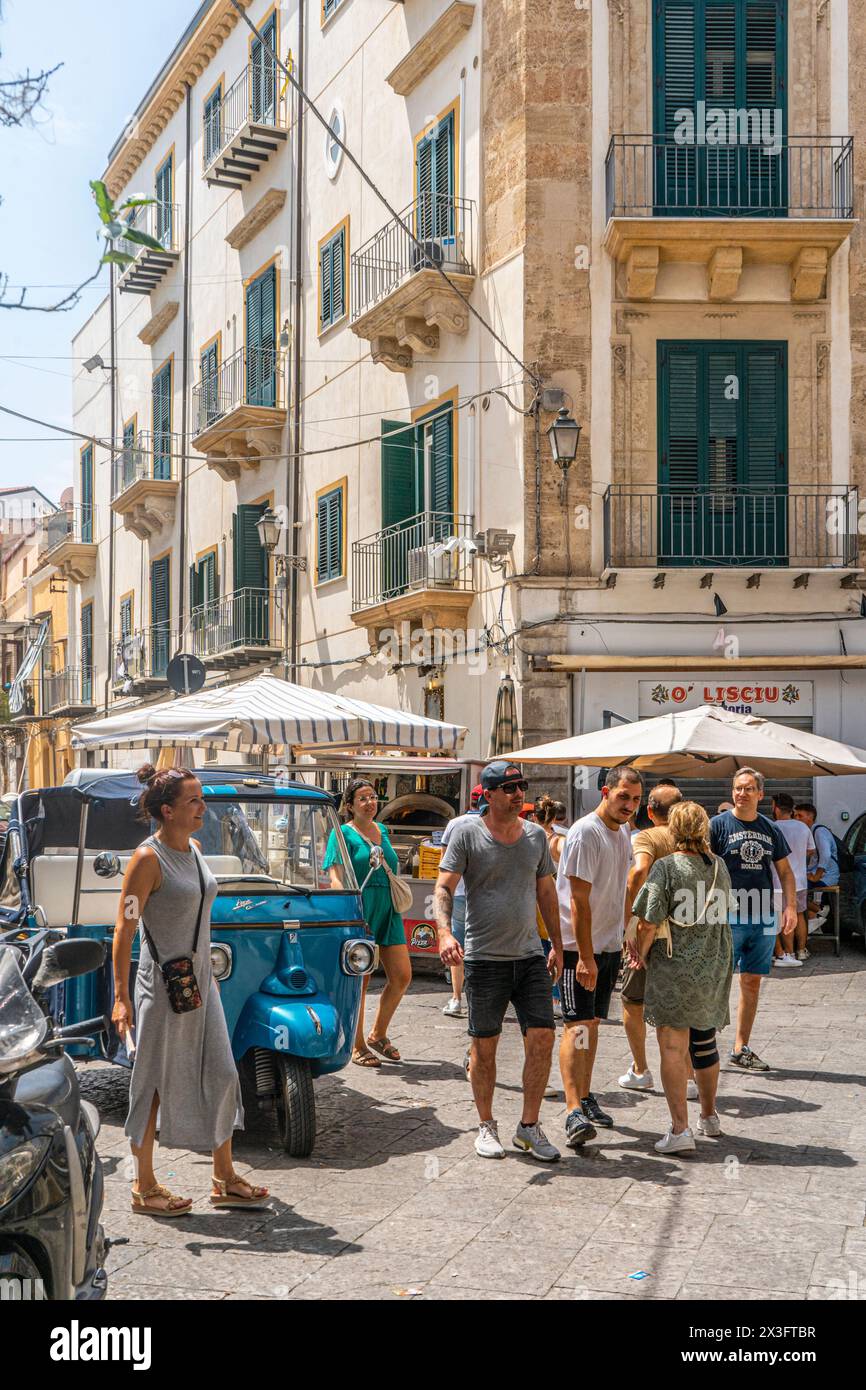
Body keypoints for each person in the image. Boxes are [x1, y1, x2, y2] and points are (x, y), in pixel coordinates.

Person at [112, 766, 268, 1216]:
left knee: (222, 1072)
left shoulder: (196, 849)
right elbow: (124, 928)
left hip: (201, 981)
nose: (204, 807)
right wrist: (121, 997)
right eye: (194, 800)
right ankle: (143, 1186)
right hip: (162, 984)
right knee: (154, 1082)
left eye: (201, 798)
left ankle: (224, 1177)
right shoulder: (147, 859)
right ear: (168, 810)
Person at [435, 761, 563, 1162]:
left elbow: (546, 894)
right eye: (508, 788)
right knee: (484, 1046)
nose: (518, 793)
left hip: (529, 956)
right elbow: (443, 888)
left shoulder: (535, 838)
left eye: (521, 786)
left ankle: (528, 1127)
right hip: (484, 958)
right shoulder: (467, 835)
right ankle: (486, 1125)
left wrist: (557, 944)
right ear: (487, 795)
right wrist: (443, 932)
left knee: (542, 1037)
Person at [632, 801, 733, 1153]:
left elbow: (647, 920)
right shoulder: (719, 866)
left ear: (673, 830)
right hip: (713, 964)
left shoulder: (666, 867)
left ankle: (680, 1130)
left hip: (675, 968)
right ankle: (709, 1117)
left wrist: (639, 954)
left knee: (673, 1047)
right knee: (704, 1044)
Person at [556, 766, 643, 1147]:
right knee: (576, 1026)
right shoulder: (584, 832)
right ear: (605, 792)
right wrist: (585, 957)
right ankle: (573, 1109)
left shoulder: (623, 831)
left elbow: (622, 889)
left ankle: (586, 1096)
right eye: (624, 796)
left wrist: (627, 933)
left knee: (591, 1025)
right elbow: (577, 902)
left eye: (636, 799)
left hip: (607, 945)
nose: (630, 805)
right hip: (580, 949)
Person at [710, 768, 797, 1072]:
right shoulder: (717, 826)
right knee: (715, 981)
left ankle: (740, 1047)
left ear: (761, 794)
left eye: (748, 789)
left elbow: (785, 872)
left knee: (752, 981)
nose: (742, 793)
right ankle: (704, 1046)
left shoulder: (771, 828)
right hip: (726, 914)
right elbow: (702, 868)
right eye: (737, 788)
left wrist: (790, 907)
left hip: (763, 914)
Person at [324, 778, 411, 1066]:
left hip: (388, 908)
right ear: (349, 805)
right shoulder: (342, 834)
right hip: (361, 909)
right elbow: (335, 877)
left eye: (373, 797)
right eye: (362, 798)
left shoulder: (382, 830)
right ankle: (357, 1043)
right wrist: (348, 911)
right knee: (360, 982)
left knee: (401, 976)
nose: (370, 802)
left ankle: (378, 1033)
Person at [620, 782, 683, 1092]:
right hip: (685, 934)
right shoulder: (693, 840)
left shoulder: (647, 836)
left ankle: (640, 1068)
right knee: (676, 1007)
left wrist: (631, 915)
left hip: (651, 929)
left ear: (648, 811)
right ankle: (687, 1075)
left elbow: (637, 871)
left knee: (633, 1000)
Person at [438, 784, 483, 1018]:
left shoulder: (455, 824)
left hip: (457, 892)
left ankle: (456, 999)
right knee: (482, 947)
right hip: (483, 894)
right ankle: (479, 999)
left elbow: (444, 860)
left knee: (458, 946)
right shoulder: (490, 823)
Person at [770, 792, 816, 966]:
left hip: (778, 881)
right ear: (792, 809)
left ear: (775, 806)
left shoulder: (772, 827)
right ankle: (801, 950)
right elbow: (811, 850)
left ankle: (788, 953)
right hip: (800, 881)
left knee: (782, 916)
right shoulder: (803, 827)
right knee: (799, 914)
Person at [794, 802, 840, 931]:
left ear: (810, 817)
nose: (796, 818)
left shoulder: (819, 831)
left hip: (826, 877)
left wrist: (816, 876)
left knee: (793, 891)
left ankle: (819, 910)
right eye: (795, 815)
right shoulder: (809, 832)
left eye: (800, 815)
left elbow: (825, 854)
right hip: (816, 874)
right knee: (794, 890)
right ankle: (815, 913)